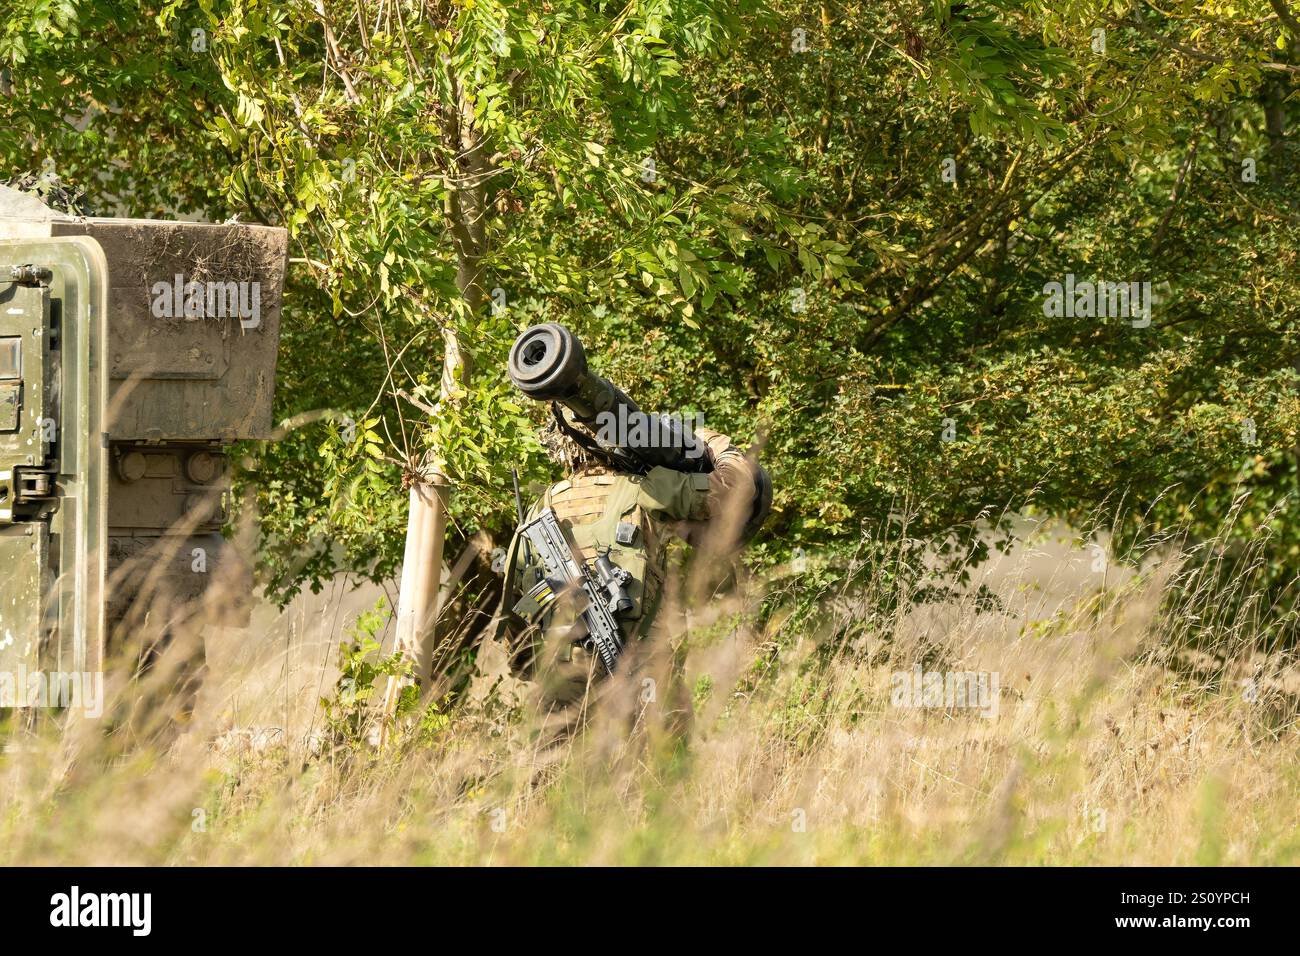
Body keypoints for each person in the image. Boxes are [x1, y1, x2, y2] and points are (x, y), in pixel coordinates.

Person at [500, 405, 770, 744]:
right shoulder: (644, 489)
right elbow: (732, 489)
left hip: (563, 674)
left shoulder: (542, 508)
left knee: (552, 781)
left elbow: (515, 609)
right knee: (660, 775)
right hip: (641, 667)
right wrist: (708, 441)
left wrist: (533, 668)